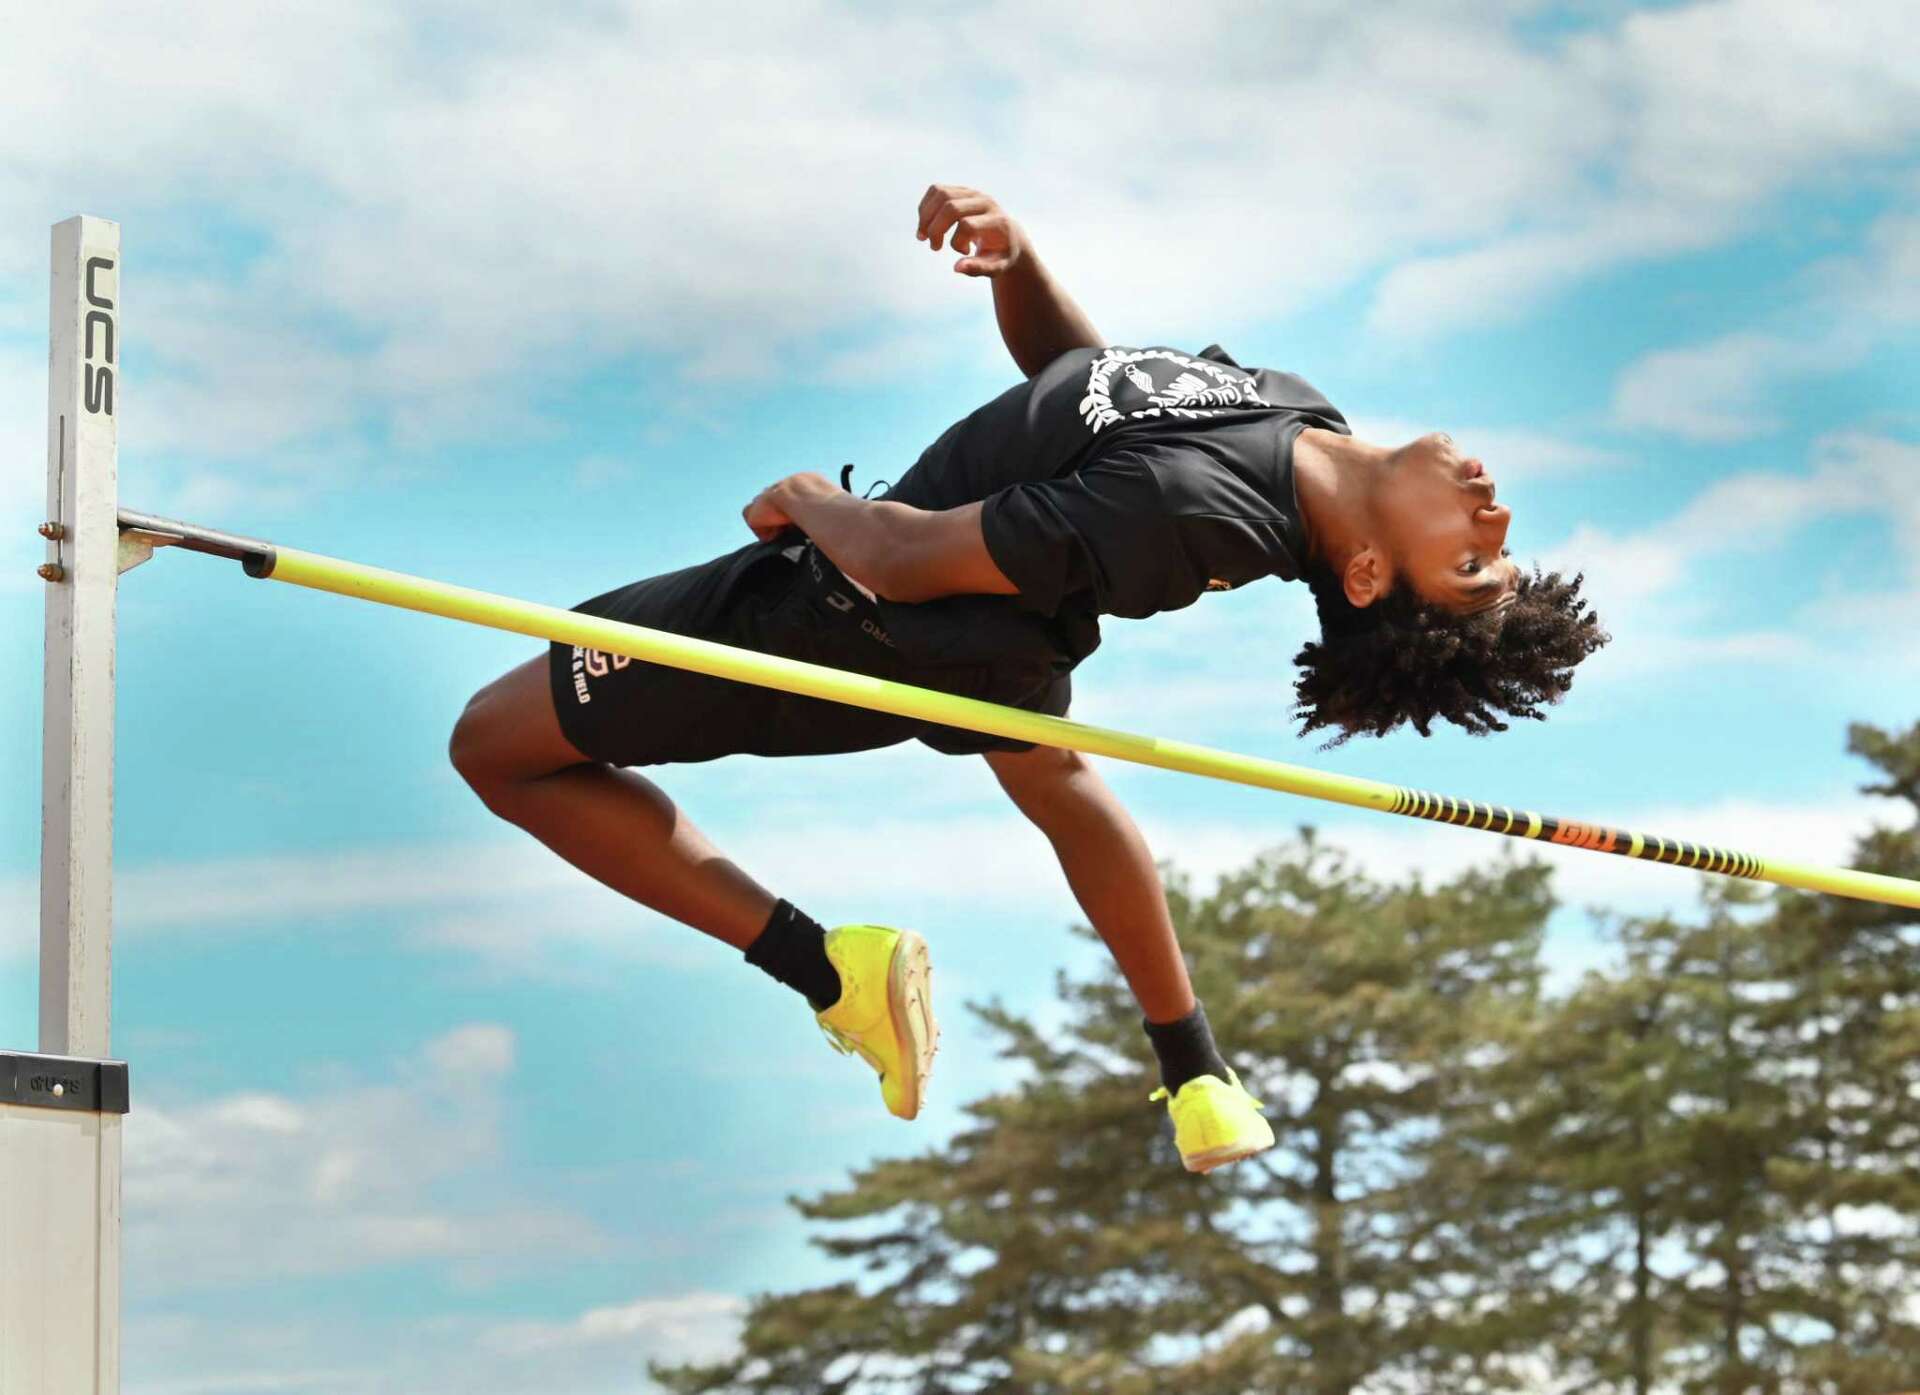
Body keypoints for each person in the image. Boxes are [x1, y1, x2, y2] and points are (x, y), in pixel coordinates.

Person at [448, 183, 1607, 1174]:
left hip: (833, 622)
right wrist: (1020, 265)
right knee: (1053, 778)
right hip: (931, 625)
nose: (1494, 511)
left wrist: (805, 497)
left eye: (1470, 561)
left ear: (1364, 575)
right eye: (1497, 540)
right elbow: (1085, 387)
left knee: (498, 748)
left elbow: (901, 562)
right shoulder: (1302, 414)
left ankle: (829, 968)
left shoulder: (1186, 519)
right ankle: (1194, 1066)